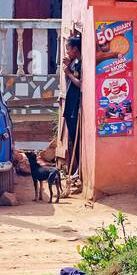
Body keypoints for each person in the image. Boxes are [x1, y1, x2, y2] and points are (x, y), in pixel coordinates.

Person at [61, 35, 82, 179]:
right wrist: (68, 66)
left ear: (75, 49)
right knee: (73, 138)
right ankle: (76, 169)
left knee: (76, 139)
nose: (67, 52)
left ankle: (79, 170)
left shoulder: (81, 64)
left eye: (68, 49)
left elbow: (80, 83)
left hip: (75, 106)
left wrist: (68, 72)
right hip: (70, 105)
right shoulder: (74, 62)